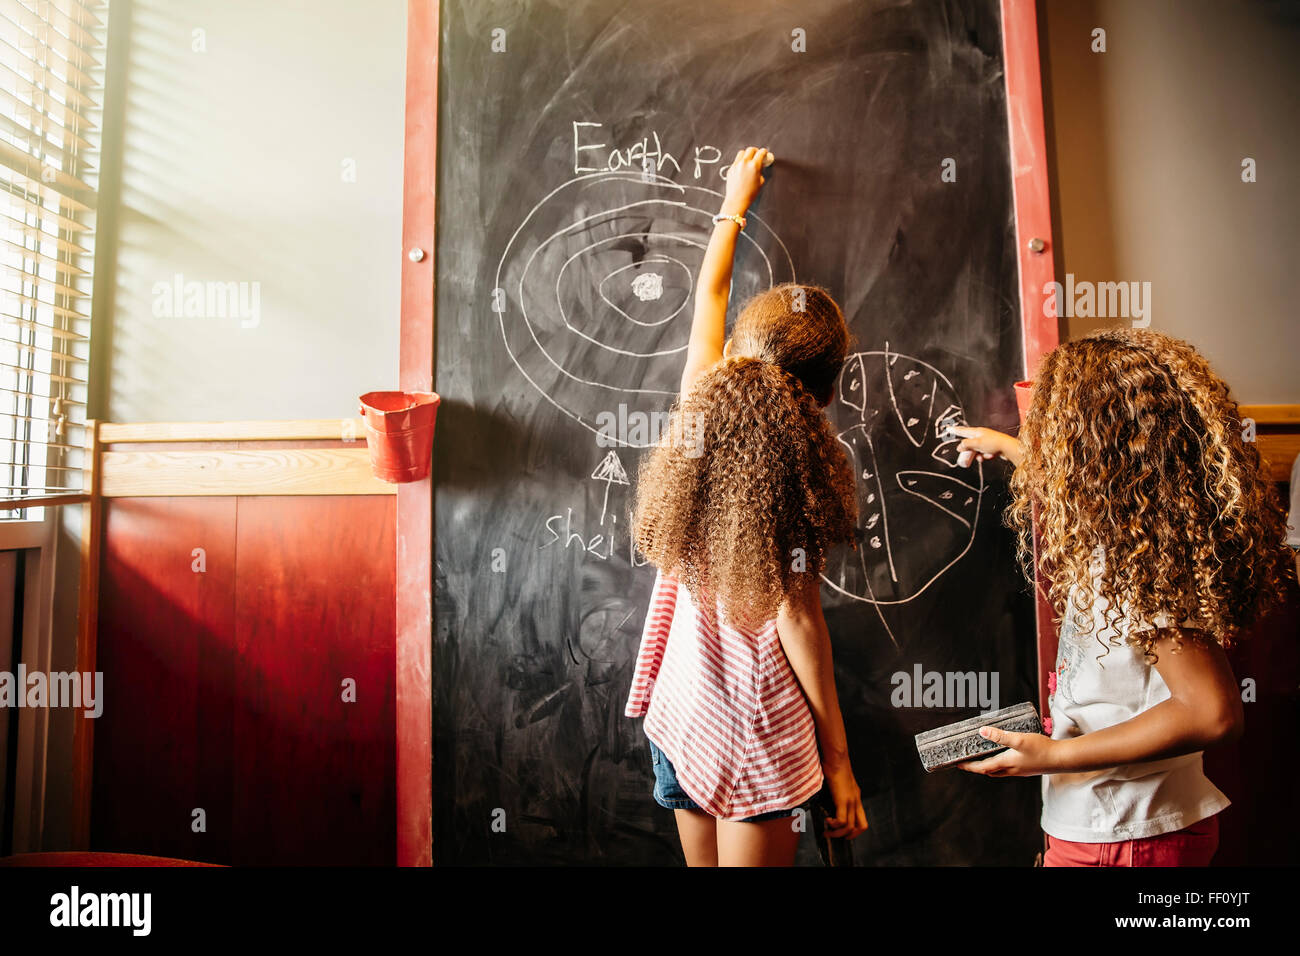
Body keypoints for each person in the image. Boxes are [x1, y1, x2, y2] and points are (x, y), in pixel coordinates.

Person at [952, 328, 1290, 866]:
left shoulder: (1142, 570)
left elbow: (1213, 713)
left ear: (1094, 454)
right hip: (1113, 824)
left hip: (1125, 833)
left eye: (1057, 435)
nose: (1045, 446)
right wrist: (1008, 449)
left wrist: (1055, 756)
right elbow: (1063, 482)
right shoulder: (1128, 531)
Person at [625, 147, 869, 866]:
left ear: (740, 349)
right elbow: (797, 620)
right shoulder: (796, 479)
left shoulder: (697, 413)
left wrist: (733, 204)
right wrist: (840, 764)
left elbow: (708, 298)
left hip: (681, 714)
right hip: (752, 728)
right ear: (823, 394)